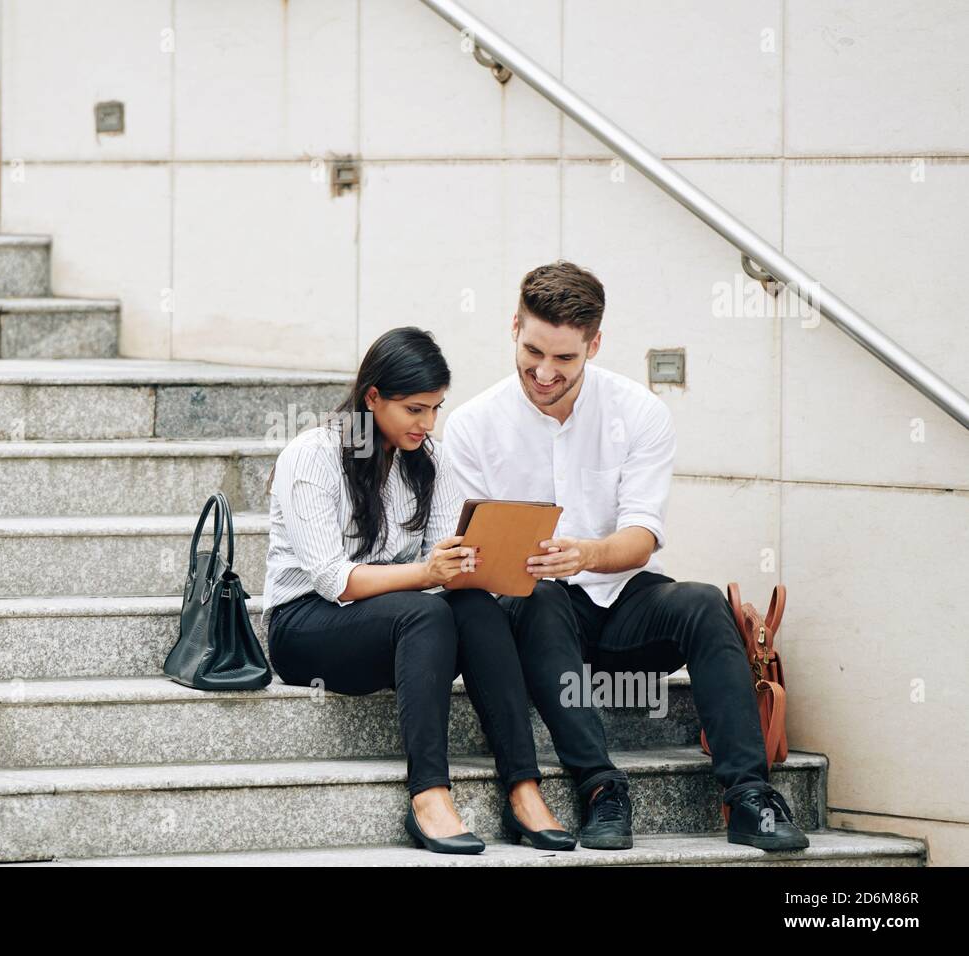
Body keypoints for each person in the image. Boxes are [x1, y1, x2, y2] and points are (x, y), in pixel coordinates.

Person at [440, 260, 810, 852]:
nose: (543, 371)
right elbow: (466, 555)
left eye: (564, 359)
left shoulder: (639, 412)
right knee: (540, 597)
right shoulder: (472, 425)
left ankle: (748, 796)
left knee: (703, 603)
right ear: (514, 326)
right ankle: (600, 787)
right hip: (534, 618)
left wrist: (584, 552)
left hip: (623, 605)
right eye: (533, 350)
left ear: (595, 344)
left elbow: (641, 535)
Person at [263, 326, 578, 854]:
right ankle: (429, 794)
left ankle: (523, 788)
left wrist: (490, 562)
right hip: (307, 628)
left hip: (394, 621)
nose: (428, 423)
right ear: (373, 398)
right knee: (426, 614)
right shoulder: (313, 456)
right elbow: (333, 580)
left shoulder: (427, 459)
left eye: (435, 408)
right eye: (414, 409)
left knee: (475, 606)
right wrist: (429, 574)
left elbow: (441, 561)